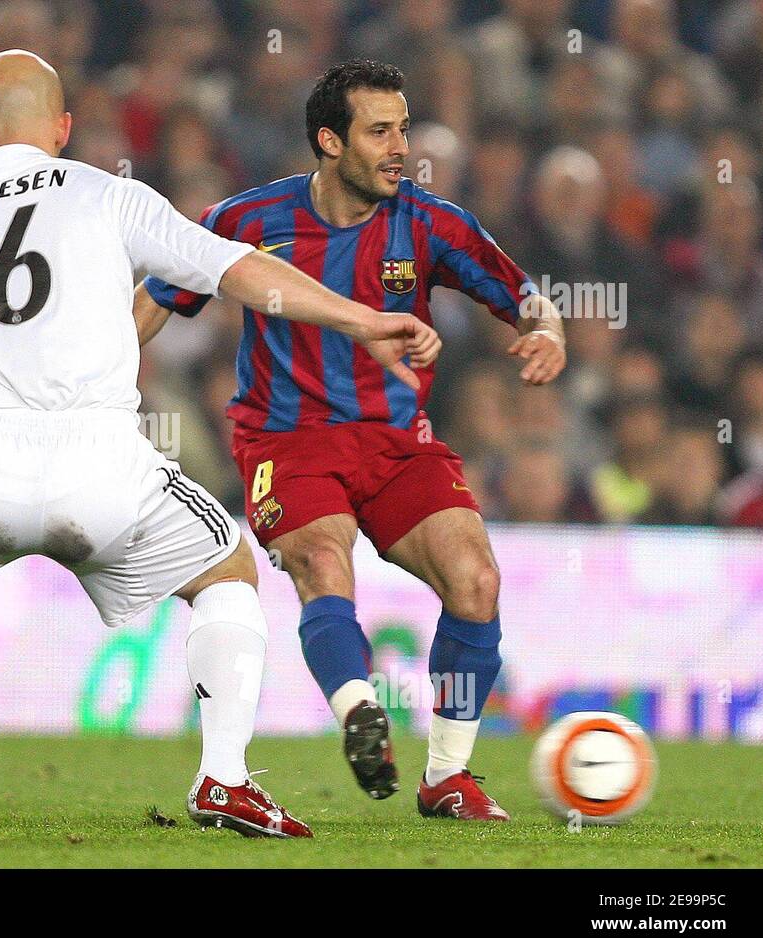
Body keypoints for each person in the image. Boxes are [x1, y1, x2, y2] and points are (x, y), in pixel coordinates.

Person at [0, 50, 438, 836]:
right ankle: (223, 778)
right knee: (227, 570)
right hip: (104, 470)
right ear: (64, 128)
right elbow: (238, 271)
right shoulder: (108, 194)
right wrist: (361, 318)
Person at [136, 60, 567, 821]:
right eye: (380, 132)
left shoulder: (431, 223)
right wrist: (97, 383)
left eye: (403, 129)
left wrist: (548, 331)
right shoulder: (248, 221)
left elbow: (526, 296)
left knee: (475, 581)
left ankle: (447, 777)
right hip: (287, 439)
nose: (400, 148)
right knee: (323, 564)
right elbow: (158, 293)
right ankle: (360, 712)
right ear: (330, 141)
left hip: (397, 443)